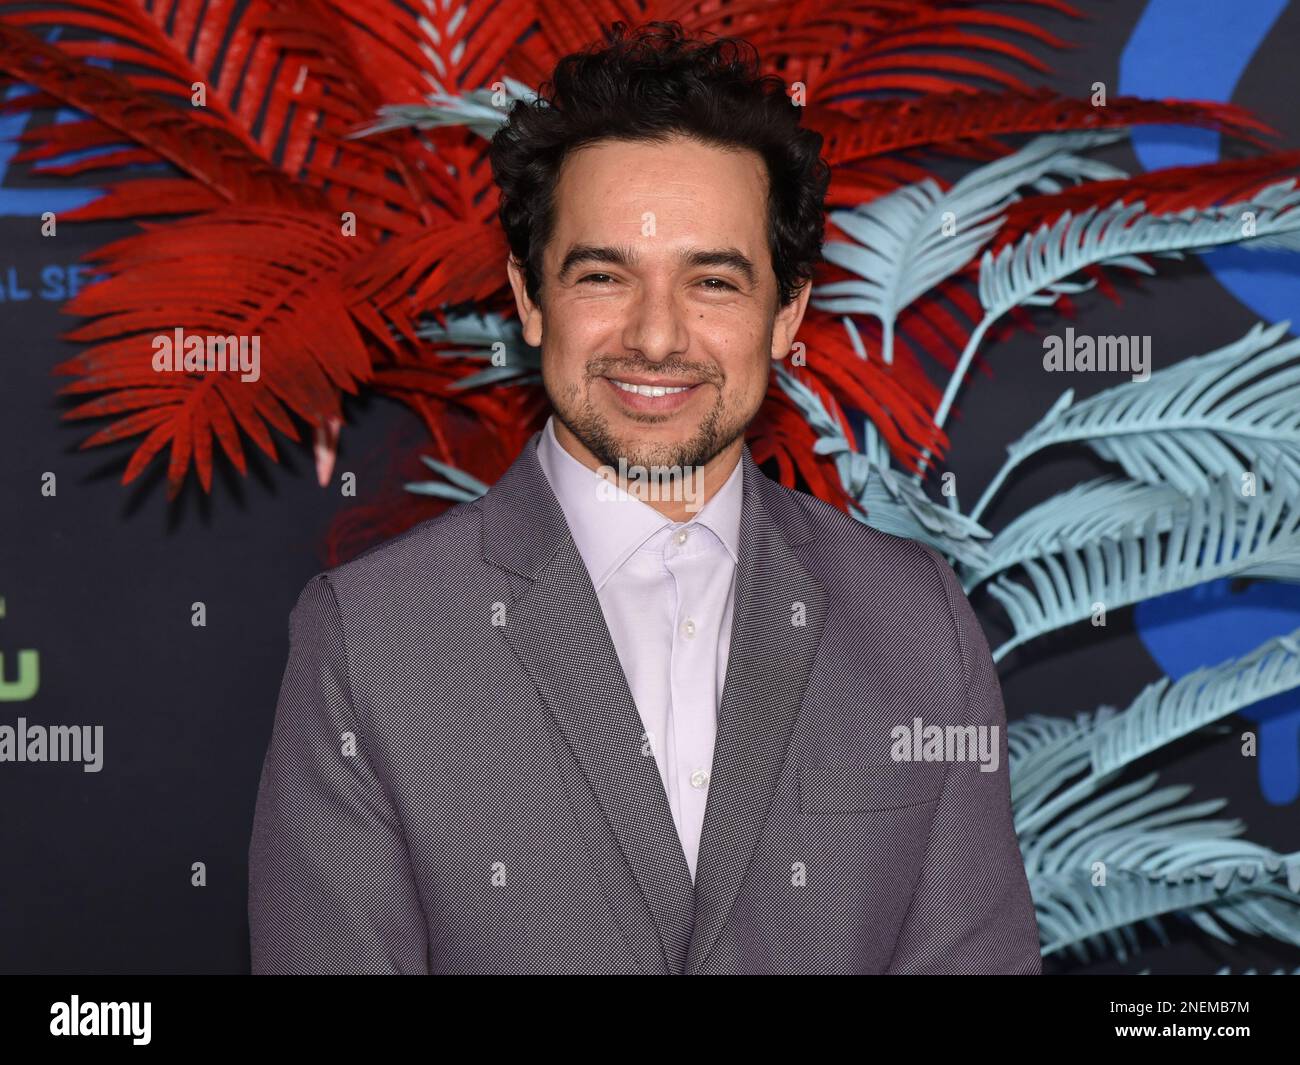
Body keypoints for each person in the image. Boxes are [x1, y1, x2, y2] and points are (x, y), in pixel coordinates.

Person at [248, 20, 1041, 974]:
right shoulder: (370, 639)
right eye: (603, 275)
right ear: (529, 298)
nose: (657, 337)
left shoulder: (916, 623)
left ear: (787, 312)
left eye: (712, 280)